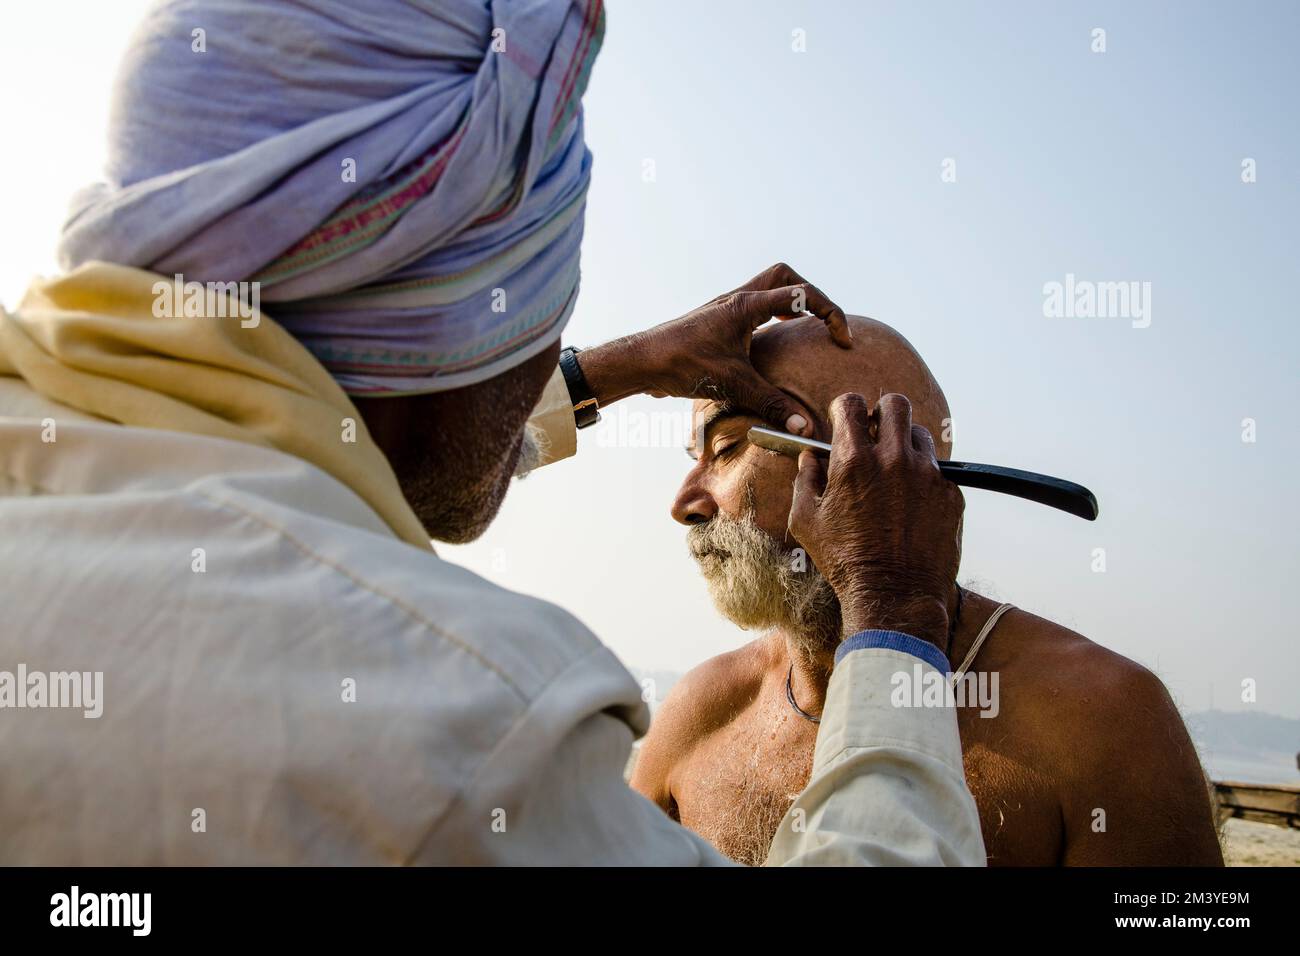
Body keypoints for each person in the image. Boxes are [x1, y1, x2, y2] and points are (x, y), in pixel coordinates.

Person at [0, 0, 983, 865]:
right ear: (451, 325)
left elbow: (345, 424)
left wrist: (603, 372)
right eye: (542, 318)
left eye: (722, 447)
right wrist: (895, 614)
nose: (681, 498)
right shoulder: (466, 729)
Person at [632, 314, 1224, 866]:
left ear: (867, 460)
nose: (685, 503)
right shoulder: (698, 712)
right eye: (696, 457)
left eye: (728, 447)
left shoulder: (1102, 719)